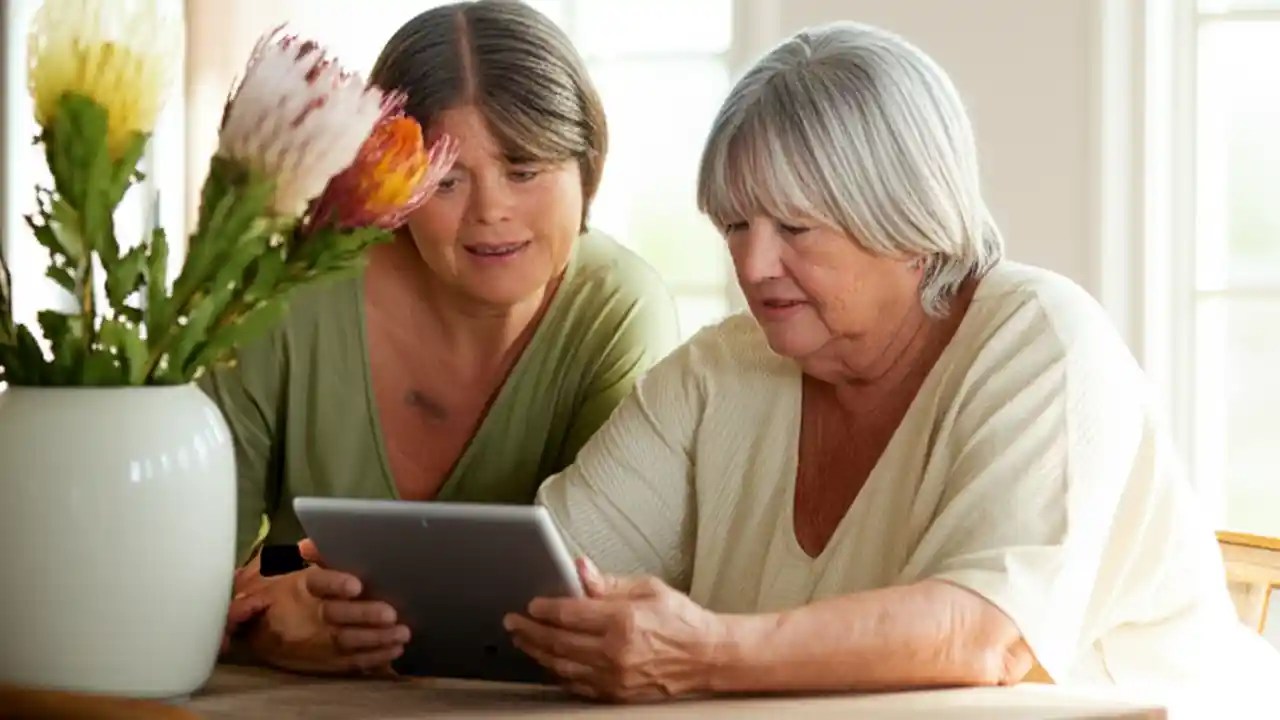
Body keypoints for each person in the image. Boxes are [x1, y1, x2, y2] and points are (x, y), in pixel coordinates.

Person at [302, 20, 1280, 711]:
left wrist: (707, 653)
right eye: (734, 225)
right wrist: (379, 614)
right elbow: (549, 578)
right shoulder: (717, 374)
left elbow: (986, 635)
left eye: (795, 229)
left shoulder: (1041, 339)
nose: (752, 264)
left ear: (908, 225)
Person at [208, 0, 680, 674]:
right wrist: (269, 616)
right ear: (392, 180)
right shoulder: (287, 288)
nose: (492, 212)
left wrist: (285, 568)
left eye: (524, 170)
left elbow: (601, 591)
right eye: (449, 180)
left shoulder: (617, 310)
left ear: (587, 166)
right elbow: (192, 566)